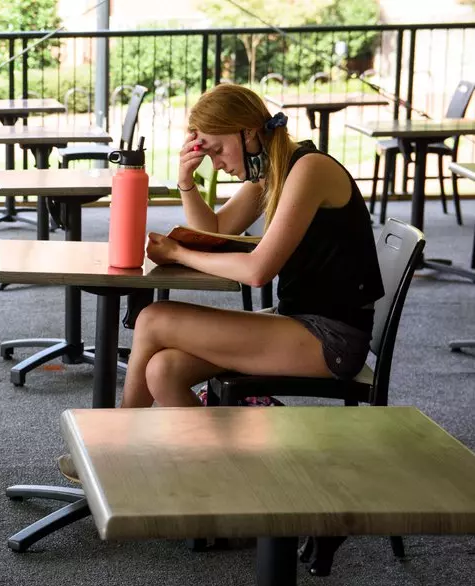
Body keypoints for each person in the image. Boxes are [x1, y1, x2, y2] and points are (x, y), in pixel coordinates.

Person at [58, 84, 384, 490]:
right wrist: (185, 181)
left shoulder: (309, 169)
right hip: (298, 320)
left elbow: (257, 271)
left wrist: (178, 254)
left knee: (156, 318)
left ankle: (114, 451)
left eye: (216, 150)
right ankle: (238, 483)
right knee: (164, 370)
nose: (215, 163)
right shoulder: (271, 171)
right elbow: (214, 229)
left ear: (247, 132)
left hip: (331, 338)